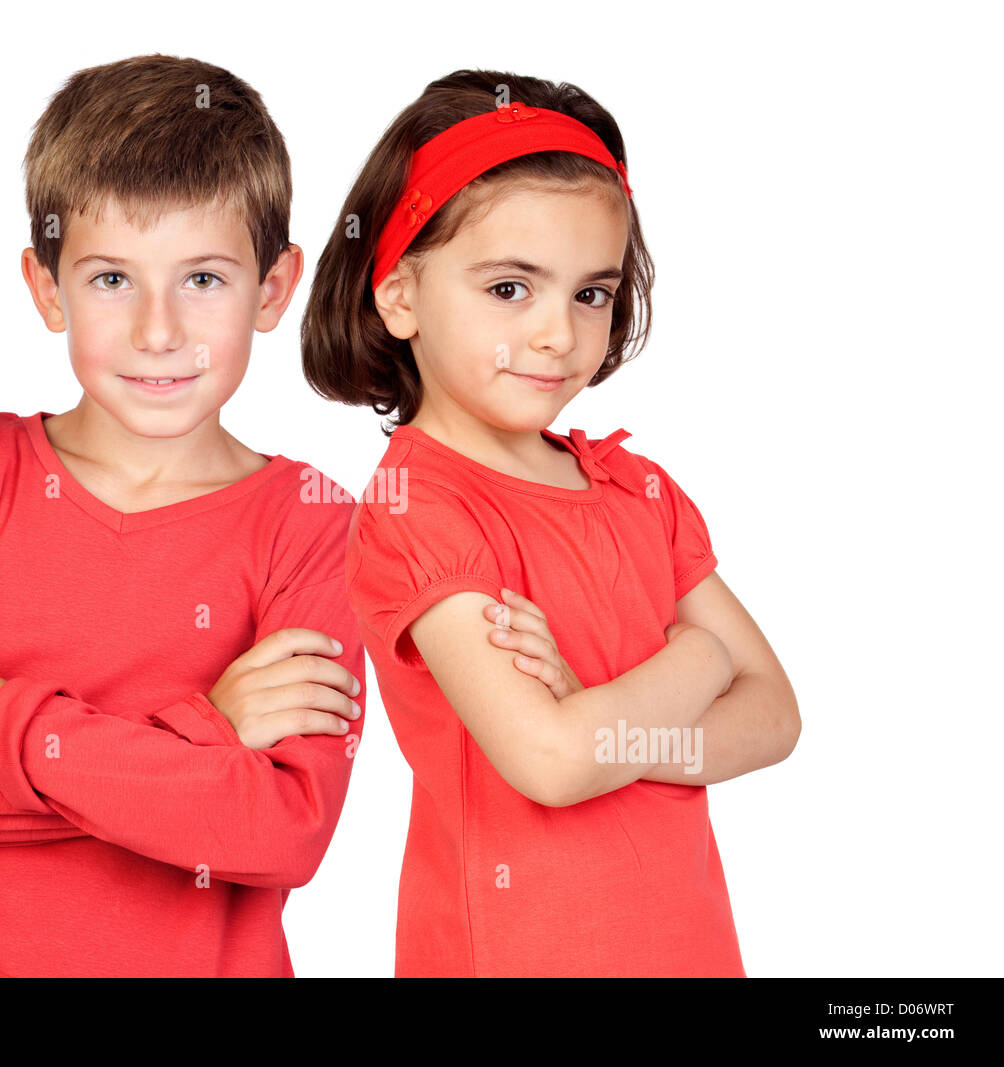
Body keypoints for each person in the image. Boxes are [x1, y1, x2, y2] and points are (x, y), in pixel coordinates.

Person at [0, 54, 365, 978]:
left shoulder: (314, 521)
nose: (158, 332)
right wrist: (200, 739)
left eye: (203, 279)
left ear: (275, 288)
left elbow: (282, 833)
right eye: (111, 280)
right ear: (48, 290)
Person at [301, 69, 800, 977]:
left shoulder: (635, 486)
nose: (557, 335)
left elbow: (774, 716)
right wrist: (696, 662)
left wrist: (605, 719)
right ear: (400, 295)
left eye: (590, 294)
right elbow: (553, 761)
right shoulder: (420, 508)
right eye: (508, 289)